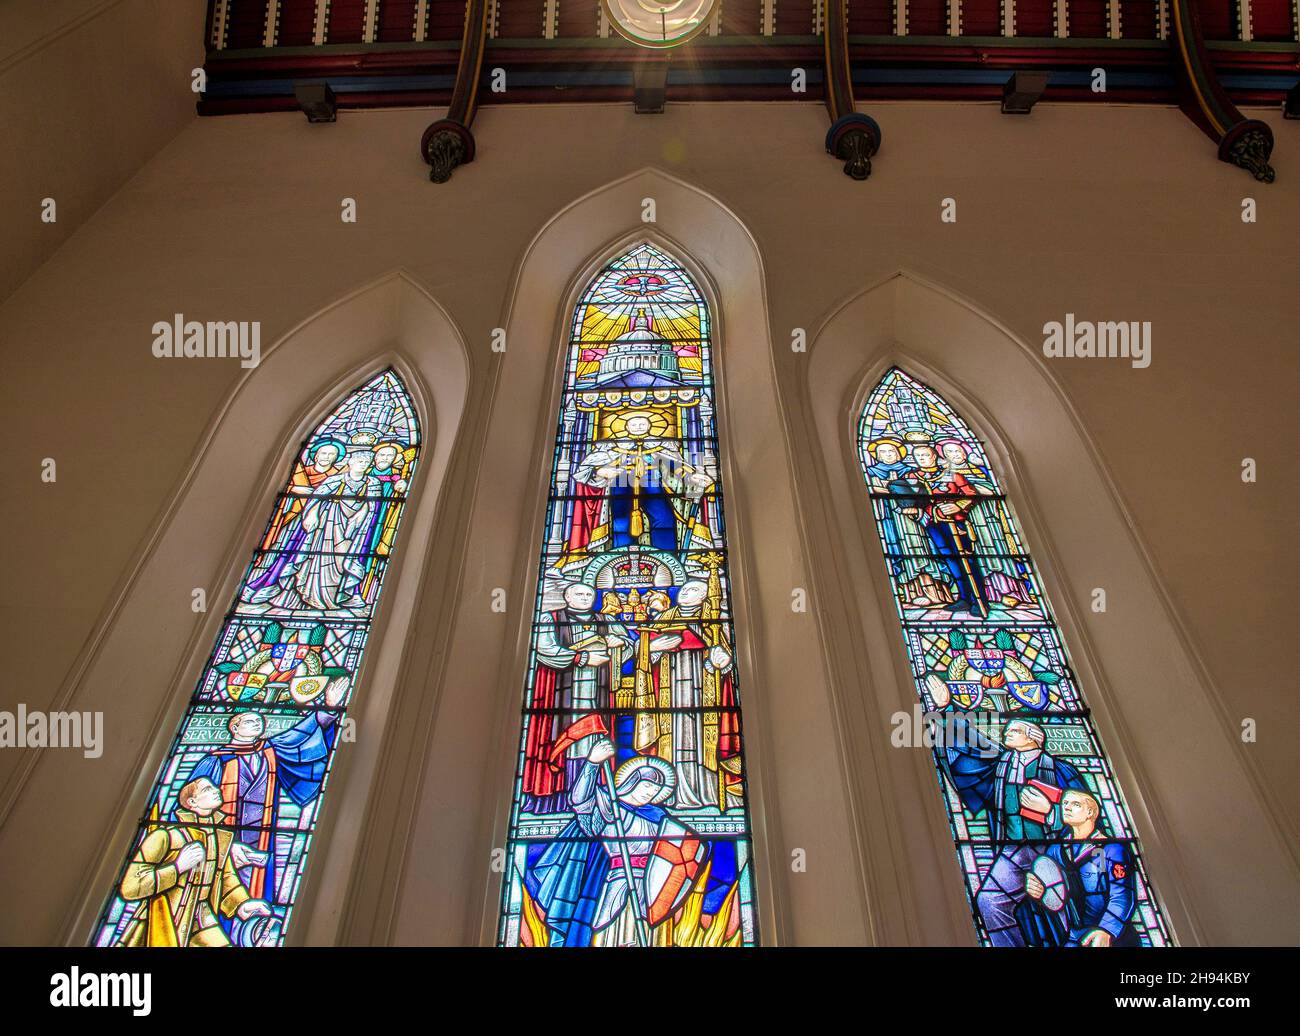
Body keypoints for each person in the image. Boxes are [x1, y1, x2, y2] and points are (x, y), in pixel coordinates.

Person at [929, 678, 1086, 946]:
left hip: (1056, 852)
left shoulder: (1061, 771)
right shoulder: (1002, 764)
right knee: (988, 901)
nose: (1007, 733)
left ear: (1032, 737)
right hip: (1014, 850)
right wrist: (946, 709)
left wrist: (1051, 812)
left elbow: (1087, 813)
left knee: (1061, 908)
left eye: (1014, 730)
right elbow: (972, 748)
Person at [187, 682, 343, 902]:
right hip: (221, 836)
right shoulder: (215, 760)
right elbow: (190, 805)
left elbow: (298, 738)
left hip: (261, 834)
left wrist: (328, 708)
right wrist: (220, 841)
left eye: (259, 721)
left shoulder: (269, 750)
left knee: (255, 892)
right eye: (250, 721)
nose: (257, 724)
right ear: (234, 727)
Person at [115, 777, 272, 946]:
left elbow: (226, 878)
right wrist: (177, 868)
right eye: (207, 789)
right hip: (164, 918)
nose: (217, 790)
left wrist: (242, 904)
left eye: (214, 788)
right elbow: (130, 887)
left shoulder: (218, 839)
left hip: (201, 916)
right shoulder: (166, 836)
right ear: (192, 802)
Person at [522, 583, 630, 813]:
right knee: (564, 740)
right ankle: (560, 797)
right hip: (563, 696)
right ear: (567, 597)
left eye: (590, 594)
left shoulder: (606, 621)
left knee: (595, 741)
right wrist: (581, 658)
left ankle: (594, 795)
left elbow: (628, 644)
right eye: (579, 594)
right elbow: (544, 648)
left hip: (597, 694)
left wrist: (618, 645)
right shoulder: (552, 618)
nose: (585, 597)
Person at [1022, 790, 1140, 946]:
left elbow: (1121, 895)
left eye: (1075, 804)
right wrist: (1037, 890)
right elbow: (1053, 894)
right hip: (1075, 936)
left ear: (1090, 812)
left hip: (1113, 936)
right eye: (1064, 803)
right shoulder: (1056, 851)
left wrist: (1107, 930)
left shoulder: (1110, 850)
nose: (1067, 808)